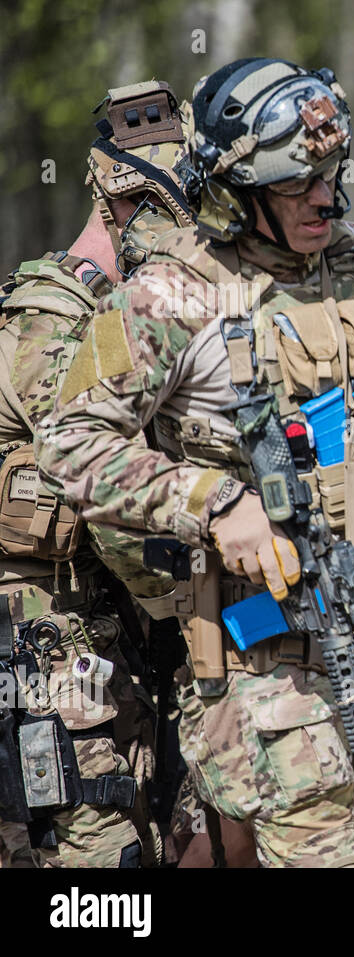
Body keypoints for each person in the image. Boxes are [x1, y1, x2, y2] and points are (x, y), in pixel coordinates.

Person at [37, 58, 354, 867]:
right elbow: (69, 441)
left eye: (333, 174)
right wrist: (213, 499)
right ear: (237, 189)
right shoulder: (174, 295)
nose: (325, 199)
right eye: (299, 184)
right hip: (269, 649)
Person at [0, 80, 197, 867]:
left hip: (108, 635)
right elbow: (99, 486)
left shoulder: (123, 314)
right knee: (99, 863)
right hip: (45, 638)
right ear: (135, 211)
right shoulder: (53, 314)